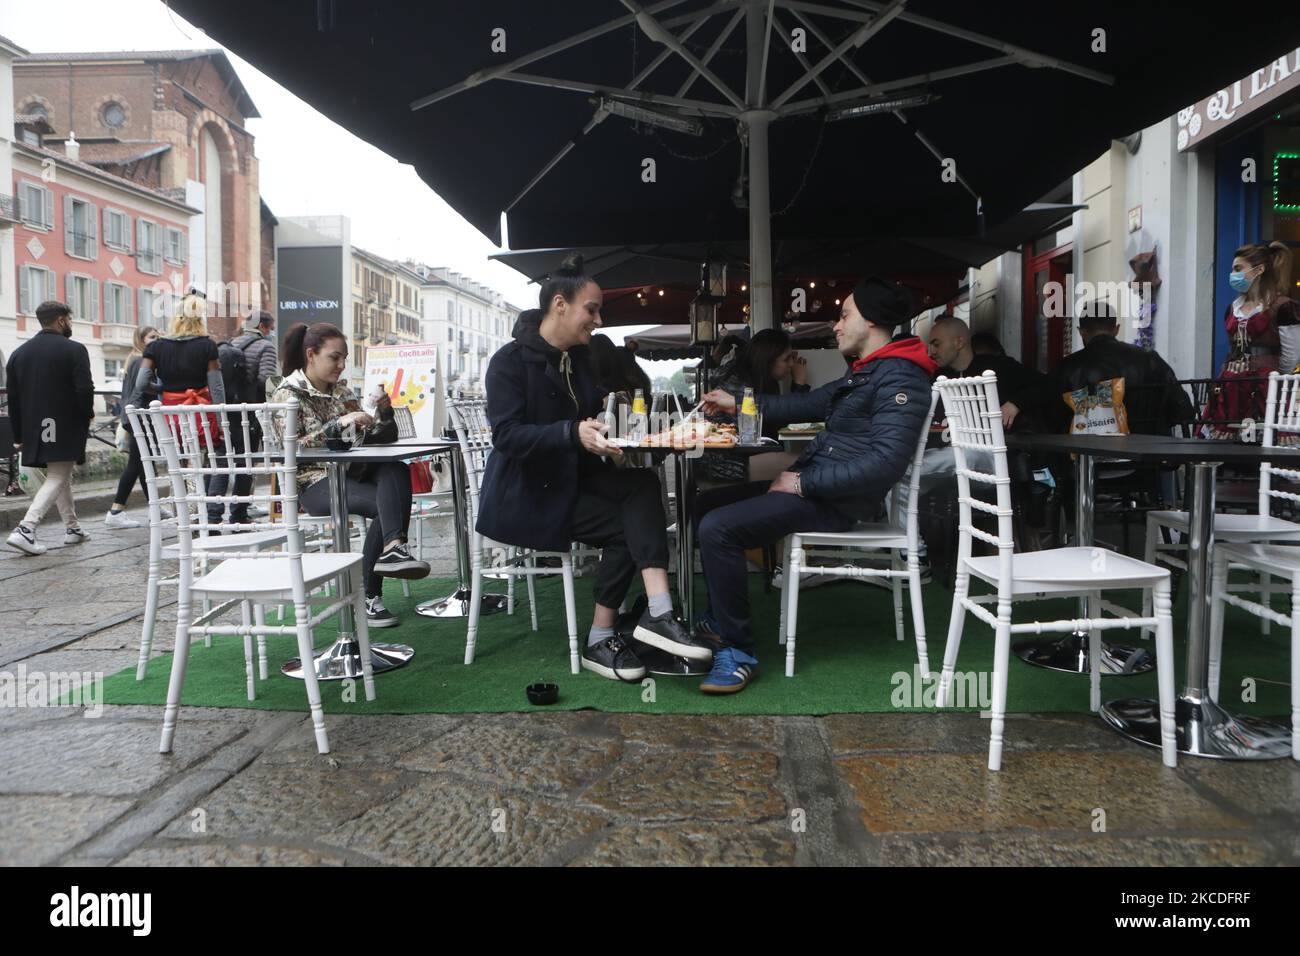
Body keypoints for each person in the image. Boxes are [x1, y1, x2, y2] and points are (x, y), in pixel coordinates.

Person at [696, 276, 936, 694]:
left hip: (836, 501)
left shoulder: (901, 379)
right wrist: (738, 403)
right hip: (819, 486)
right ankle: (720, 618)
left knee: (718, 528)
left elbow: (884, 465)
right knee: (702, 507)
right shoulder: (867, 372)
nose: (836, 325)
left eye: (845, 315)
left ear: (874, 320)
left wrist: (804, 483)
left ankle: (738, 652)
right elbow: (806, 403)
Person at [477, 253, 709, 682]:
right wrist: (572, 433)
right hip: (526, 497)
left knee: (640, 485)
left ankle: (657, 613)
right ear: (560, 304)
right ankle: (603, 636)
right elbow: (507, 437)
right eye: (592, 308)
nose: (598, 320)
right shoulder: (508, 362)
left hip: (569, 483)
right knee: (628, 523)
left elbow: (584, 422)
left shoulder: (580, 360)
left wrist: (611, 440)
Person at [269, 322, 430, 629]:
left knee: (395, 468)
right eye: (335, 357)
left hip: (353, 474)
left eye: (344, 359)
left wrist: (384, 412)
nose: (342, 366)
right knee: (389, 504)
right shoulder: (287, 394)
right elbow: (293, 447)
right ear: (311, 355)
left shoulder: (341, 391)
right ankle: (371, 593)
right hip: (313, 483)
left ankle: (392, 551)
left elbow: (380, 437)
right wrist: (343, 421)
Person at [5, 301, 94, 555]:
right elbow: (85, 389)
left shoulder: (19, 353)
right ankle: (26, 528)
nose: (71, 324)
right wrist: (87, 414)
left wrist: (18, 434)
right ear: (62, 320)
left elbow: (13, 399)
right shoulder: (74, 350)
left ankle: (72, 528)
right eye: (70, 319)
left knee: (60, 473)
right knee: (58, 475)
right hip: (63, 423)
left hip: (34, 425)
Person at [1054, 302, 1194, 436]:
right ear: (1116, 329)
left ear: (1082, 332)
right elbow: (1183, 411)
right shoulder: (1151, 359)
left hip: (1088, 453)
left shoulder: (1068, 367)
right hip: (1148, 451)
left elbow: (1053, 418)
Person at [1204, 241, 1297, 438]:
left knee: (1262, 445)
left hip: (1265, 389)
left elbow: (1291, 357)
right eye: (1232, 269)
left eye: (1238, 268)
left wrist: (1269, 373)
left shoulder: (1283, 306)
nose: (1233, 274)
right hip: (1231, 388)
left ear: (1259, 269)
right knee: (1227, 448)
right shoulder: (1233, 308)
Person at [703, 327, 810, 482]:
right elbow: (782, 422)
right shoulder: (741, 385)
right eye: (786, 359)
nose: (792, 364)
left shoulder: (751, 377)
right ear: (768, 359)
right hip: (728, 464)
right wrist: (799, 384)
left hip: (734, 458)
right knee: (810, 464)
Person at [928, 316, 1055, 431]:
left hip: (1001, 450)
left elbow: (1048, 384)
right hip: (950, 448)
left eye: (936, 344)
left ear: (959, 342)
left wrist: (1016, 403)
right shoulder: (936, 378)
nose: (930, 352)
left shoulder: (1000, 367)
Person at [105, 324, 161, 528]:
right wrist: (165, 387)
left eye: (158, 336)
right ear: (141, 340)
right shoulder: (141, 361)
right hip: (140, 417)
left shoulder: (135, 359)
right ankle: (116, 511)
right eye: (152, 337)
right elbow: (141, 389)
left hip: (134, 416)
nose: (157, 339)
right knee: (137, 464)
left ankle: (155, 507)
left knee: (146, 464)